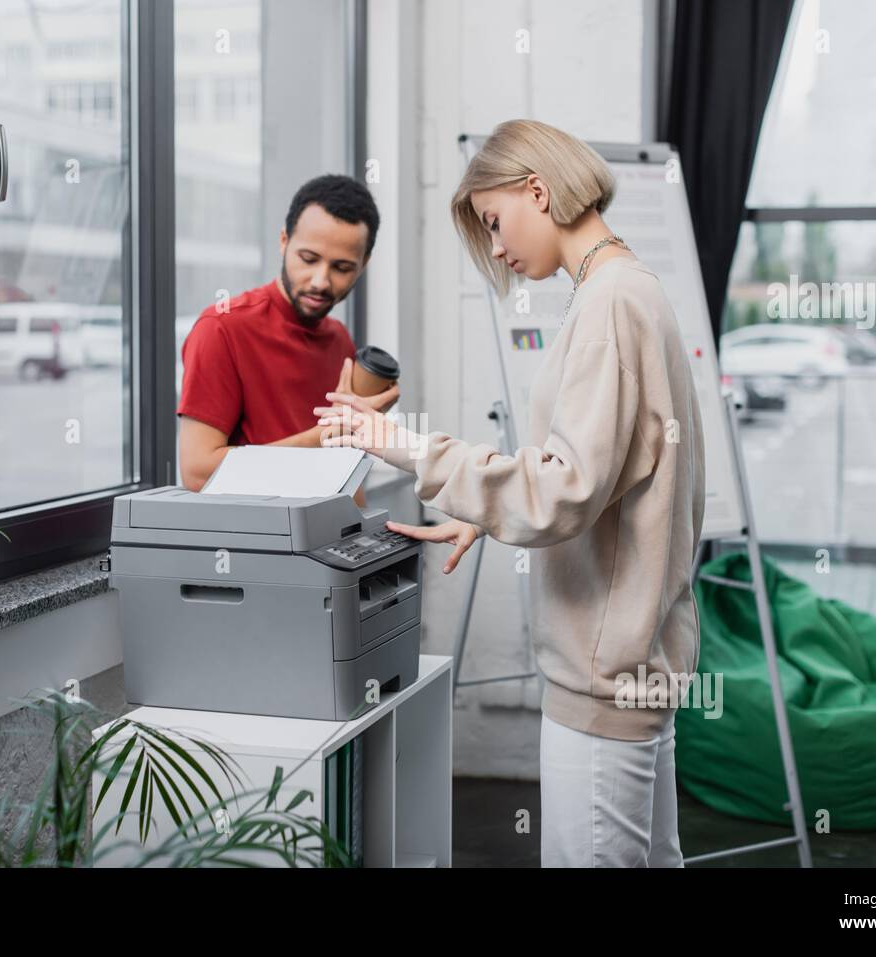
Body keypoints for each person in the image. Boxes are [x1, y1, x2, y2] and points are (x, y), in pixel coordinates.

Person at [314, 119, 706, 867]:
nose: (495, 248)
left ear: (538, 188)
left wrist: (400, 443)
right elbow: (606, 472)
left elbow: (562, 490)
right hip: (637, 664)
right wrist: (486, 516)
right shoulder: (628, 289)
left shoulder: (607, 305)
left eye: (495, 222)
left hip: (601, 677)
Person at [177, 174, 400, 504]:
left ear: (363, 265)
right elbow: (198, 473)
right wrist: (324, 437)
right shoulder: (221, 328)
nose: (321, 281)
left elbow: (346, 476)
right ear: (284, 241)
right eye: (308, 259)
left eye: (341, 267)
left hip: (326, 540)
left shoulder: (339, 340)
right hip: (255, 545)